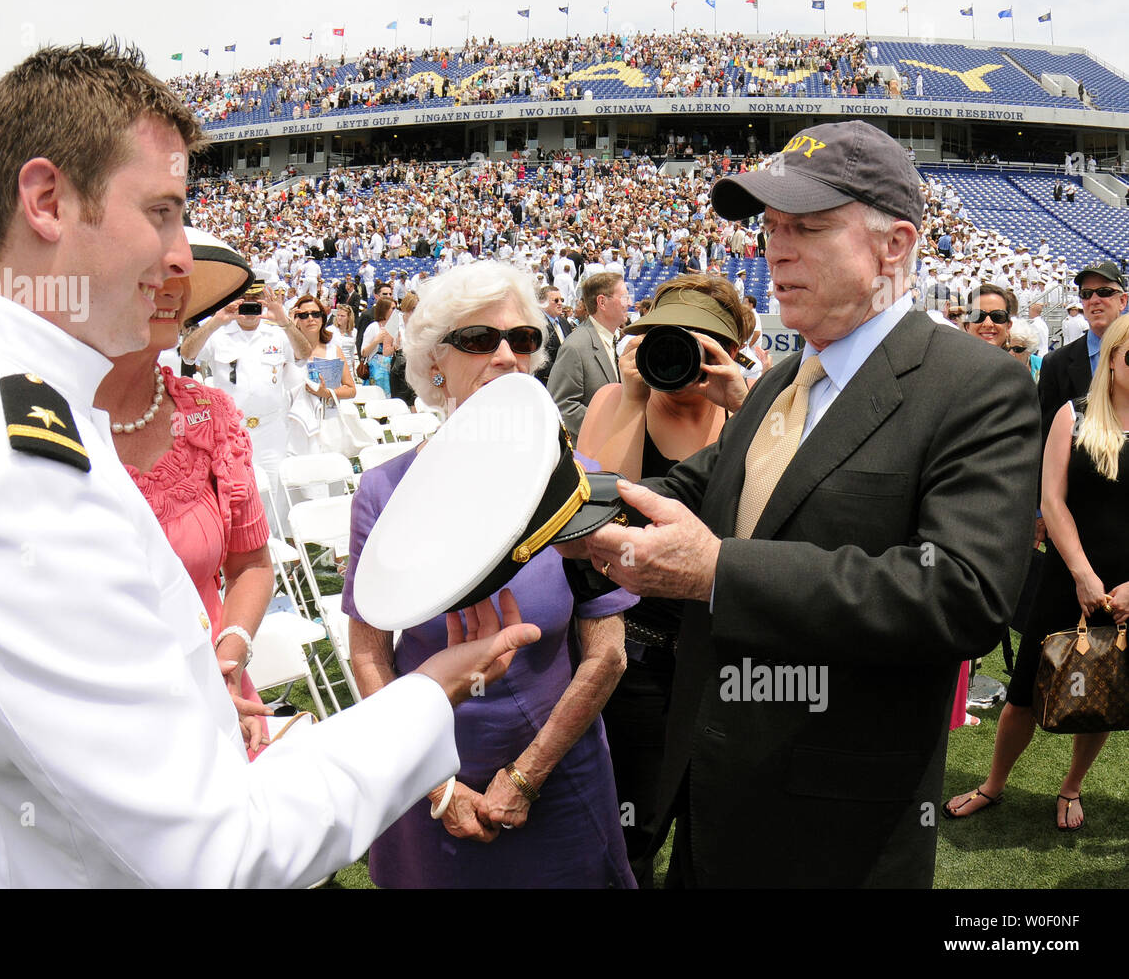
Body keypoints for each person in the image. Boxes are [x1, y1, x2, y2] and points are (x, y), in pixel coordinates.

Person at [0, 41, 536, 889]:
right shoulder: (19, 481)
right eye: (160, 211)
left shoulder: (28, 410)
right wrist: (426, 695)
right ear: (45, 201)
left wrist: (193, 699)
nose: (184, 256)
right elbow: (216, 859)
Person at [563, 120, 1040, 887]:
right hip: (708, 792)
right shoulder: (784, 381)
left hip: (837, 826)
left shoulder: (975, 386)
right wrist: (558, 511)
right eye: (771, 228)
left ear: (895, 246)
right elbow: (688, 493)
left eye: (808, 228)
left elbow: (964, 594)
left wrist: (720, 572)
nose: (774, 249)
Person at [344, 260, 636, 888]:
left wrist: (527, 775)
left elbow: (607, 655)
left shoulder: (578, 481)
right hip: (429, 783)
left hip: (559, 775)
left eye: (523, 339)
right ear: (434, 363)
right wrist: (436, 788)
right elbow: (369, 656)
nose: (505, 355)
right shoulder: (383, 492)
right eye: (479, 340)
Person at [575, 273, 754, 887]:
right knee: (632, 828)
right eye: (664, 338)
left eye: (702, 343)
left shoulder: (756, 414)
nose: (679, 356)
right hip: (638, 650)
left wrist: (744, 402)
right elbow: (593, 521)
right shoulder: (612, 401)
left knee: (722, 827)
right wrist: (628, 397)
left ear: (733, 348)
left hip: (729, 652)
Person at [944, 314, 1129, 831]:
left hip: (1127, 586)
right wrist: (1082, 574)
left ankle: (1071, 788)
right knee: (1023, 692)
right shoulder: (1076, 414)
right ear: (1112, 358)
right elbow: (1053, 499)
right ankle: (993, 784)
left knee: (1105, 692)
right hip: (1068, 575)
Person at [95, 228, 275, 759]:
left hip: (222, 706)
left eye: (184, 276)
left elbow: (251, 565)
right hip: (104, 729)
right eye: (153, 272)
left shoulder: (213, 415)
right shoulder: (48, 422)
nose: (174, 288)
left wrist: (231, 654)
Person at [180, 281, 312, 537]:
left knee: (272, 493)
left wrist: (284, 320)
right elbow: (187, 355)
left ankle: (272, 560)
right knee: (233, 493)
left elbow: (304, 354)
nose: (249, 308)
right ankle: (234, 552)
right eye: (244, 300)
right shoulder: (219, 333)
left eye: (256, 300)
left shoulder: (277, 332)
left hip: (271, 428)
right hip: (231, 430)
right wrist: (216, 320)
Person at [1040, 263, 1127, 439]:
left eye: (1104, 292)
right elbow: (1048, 436)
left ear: (1123, 301)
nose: (1094, 300)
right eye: (1086, 294)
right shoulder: (1056, 363)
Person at [547, 271, 629, 444]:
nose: (628, 303)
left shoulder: (610, 340)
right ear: (602, 302)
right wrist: (610, 425)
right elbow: (562, 406)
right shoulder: (576, 347)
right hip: (589, 457)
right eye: (623, 297)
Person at [289, 293, 356, 457]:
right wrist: (288, 327)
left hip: (328, 422)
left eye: (315, 314)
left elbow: (351, 389)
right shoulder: (287, 351)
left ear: (323, 317)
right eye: (304, 315)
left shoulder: (334, 350)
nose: (310, 318)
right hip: (295, 425)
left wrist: (326, 393)